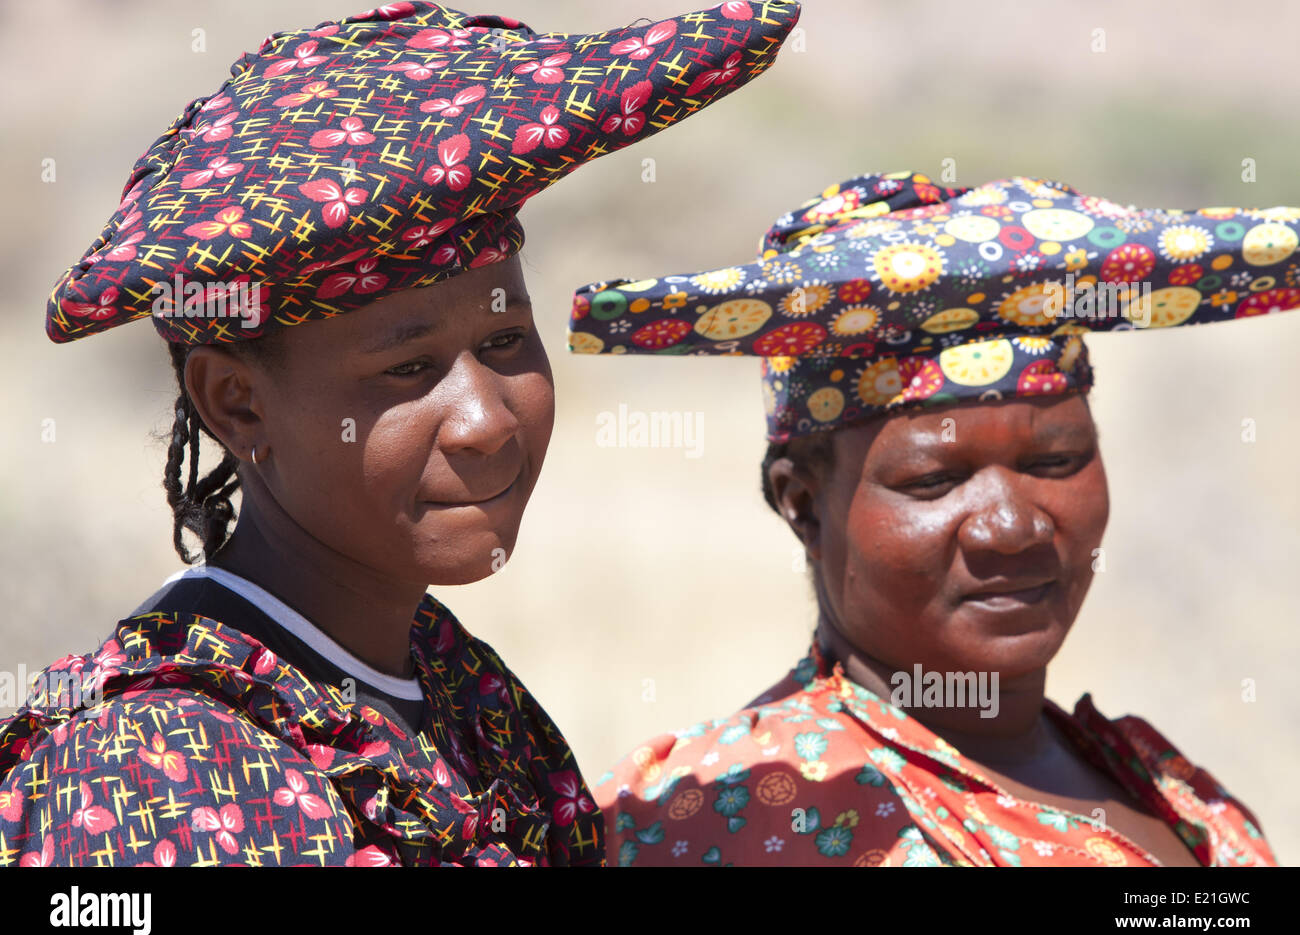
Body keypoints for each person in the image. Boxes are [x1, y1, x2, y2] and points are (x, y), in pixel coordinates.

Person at [0, 0, 802, 867]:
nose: (487, 420)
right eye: (407, 370)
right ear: (238, 405)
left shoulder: (461, 703)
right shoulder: (163, 777)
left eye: (504, 343)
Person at [570, 171, 1294, 866]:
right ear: (804, 506)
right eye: (935, 480)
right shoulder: (730, 815)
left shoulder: (1170, 792)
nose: (1012, 526)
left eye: (1056, 462)